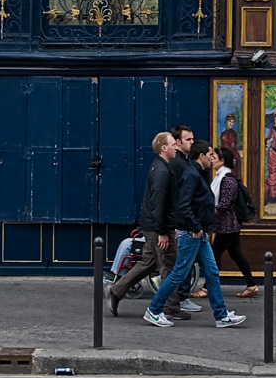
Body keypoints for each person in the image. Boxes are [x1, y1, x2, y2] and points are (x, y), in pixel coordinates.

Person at [143, 141, 248, 329]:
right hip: (192, 234)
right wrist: (196, 227)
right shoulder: (192, 175)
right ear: (201, 156)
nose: (212, 158)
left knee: (212, 272)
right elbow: (183, 204)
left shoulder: (198, 173)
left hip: (199, 233)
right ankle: (154, 310)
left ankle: (221, 315)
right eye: (210, 155)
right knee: (178, 273)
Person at [106, 131, 179, 317]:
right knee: (168, 267)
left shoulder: (158, 167)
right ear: (164, 148)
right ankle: (170, 308)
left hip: (153, 226)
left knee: (148, 263)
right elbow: (158, 204)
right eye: (173, 144)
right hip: (158, 228)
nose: (176, 147)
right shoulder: (162, 171)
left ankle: (116, 291)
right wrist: (163, 231)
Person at [211, 146, 258, 298]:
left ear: (222, 161)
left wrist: (207, 211)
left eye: (214, 157)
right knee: (235, 253)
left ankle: (208, 287)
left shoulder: (227, 179)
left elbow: (224, 204)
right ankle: (251, 285)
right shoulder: (220, 177)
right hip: (227, 224)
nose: (211, 160)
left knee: (214, 254)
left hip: (228, 225)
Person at [168, 125, 204, 311]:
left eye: (192, 139)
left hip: (185, 222)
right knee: (182, 264)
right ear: (178, 142)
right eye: (188, 140)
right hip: (183, 223)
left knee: (184, 263)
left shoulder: (184, 163)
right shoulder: (180, 165)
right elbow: (178, 198)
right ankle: (178, 299)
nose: (192, 142)